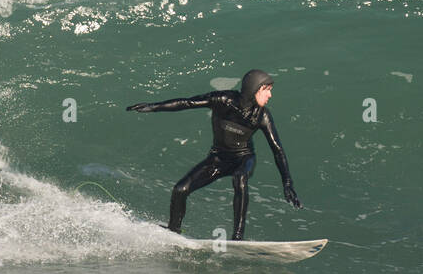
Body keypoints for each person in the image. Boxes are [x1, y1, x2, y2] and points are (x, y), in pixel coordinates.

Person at [127, 69, 302, 238]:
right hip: (218, 158)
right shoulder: (223, 100)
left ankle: (237, 238)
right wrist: (153, 107)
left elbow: (277, 149)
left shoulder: (262, 115)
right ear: (254, 89)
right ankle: (173, 231)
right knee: (180, 189)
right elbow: (188, 103)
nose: (270, 95)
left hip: (243, 158)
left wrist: (287, 182)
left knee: (240, 178)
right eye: (267, 90)